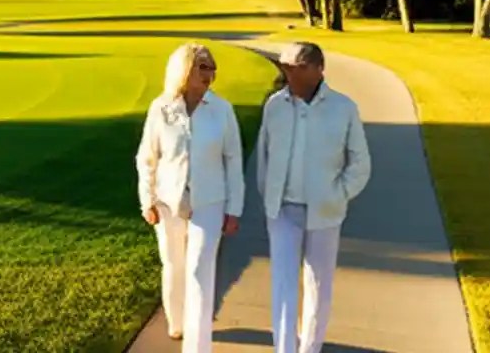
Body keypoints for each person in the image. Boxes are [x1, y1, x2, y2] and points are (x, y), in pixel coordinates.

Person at [256, 42, 371, 353]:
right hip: (282, 210)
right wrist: (268, 193)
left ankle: (310, 348)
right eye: (285, 67)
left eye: (297, 67)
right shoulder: (274, 105)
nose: (288, 73)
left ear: (319, 69)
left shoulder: (343, 107)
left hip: (325, 211)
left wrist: (340, 194)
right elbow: (264, 155)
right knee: (283, 284)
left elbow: (360, 163)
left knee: (318, 285)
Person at [136, 42, 245, 351]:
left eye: (212, 67)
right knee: (173, 265)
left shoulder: (222, 110)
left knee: (199, 269)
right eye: (203, 67)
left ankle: (197, 345)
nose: (210, 74)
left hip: (210, 201)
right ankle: (177, 322)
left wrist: (234, 208)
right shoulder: (162, 107)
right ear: (184, 69)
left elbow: (234, 159)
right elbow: (147, 157)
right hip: (168, 201)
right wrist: (148, 200)